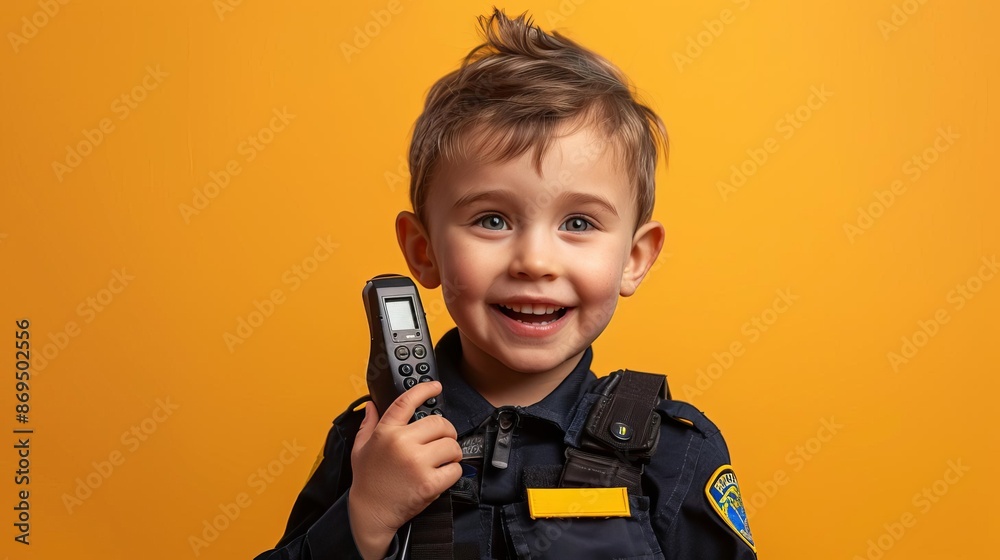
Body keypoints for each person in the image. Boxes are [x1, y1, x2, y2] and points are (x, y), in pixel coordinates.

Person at [255, 8, 756, 560]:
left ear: (634, 258)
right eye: (492, 219)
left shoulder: (675, 452)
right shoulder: (371, 444)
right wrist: (365, 516)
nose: (534, 261)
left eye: (578, 223)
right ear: (424, 252)